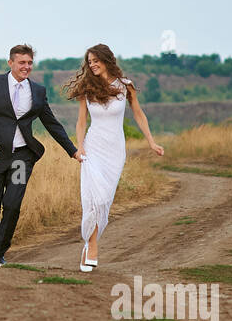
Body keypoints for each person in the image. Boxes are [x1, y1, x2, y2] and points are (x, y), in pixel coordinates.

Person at [0, 44, 83, 267]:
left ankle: (0, 251)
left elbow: (51, 123)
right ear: (10, 63)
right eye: (22, 62)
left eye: (30, 63)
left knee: (12, 205)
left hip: (22, 158)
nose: (26, 67)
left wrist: (73, 150)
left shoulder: (38, 91)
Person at [61, 44, 164, 272]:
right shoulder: (87, 88)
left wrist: (151, 142)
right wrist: (80, 147)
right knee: (92, 199)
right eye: (90, 62)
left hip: (115, 151)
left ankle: (89, 241)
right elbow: (81, 121)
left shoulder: (126, 86)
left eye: (96, 61)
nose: (92, 65)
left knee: (105, 199)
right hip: (93, 148)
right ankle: (92, 245)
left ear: (107, 60)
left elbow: (139, 114)